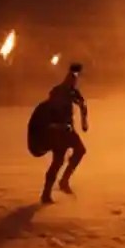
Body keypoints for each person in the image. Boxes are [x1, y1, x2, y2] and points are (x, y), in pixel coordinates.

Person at [34, 62, 89, 204]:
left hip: (66, 130)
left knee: (77, 152)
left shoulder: (71, 91)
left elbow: (82, 104)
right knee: (59, 160)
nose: (75, 80)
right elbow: (51, 109)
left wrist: (84, 120)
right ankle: (50, 190)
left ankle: (59, 184)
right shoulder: (58, 91)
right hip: (59, 131)